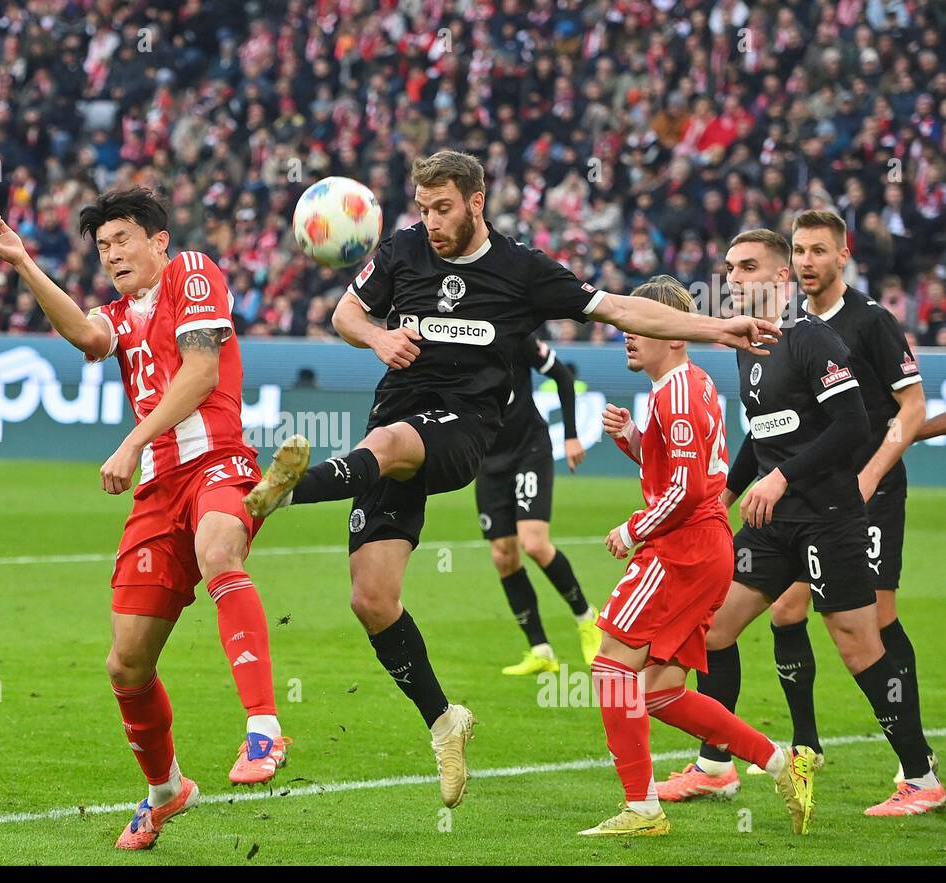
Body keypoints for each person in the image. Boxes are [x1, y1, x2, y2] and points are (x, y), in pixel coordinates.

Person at [244, 150, 779, 808]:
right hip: (395, 418)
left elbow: (621, 309)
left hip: (464, 430)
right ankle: (445, 721)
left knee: (384, 445)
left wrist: (719, 327)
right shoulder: (402, 252)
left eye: (443, 208)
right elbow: (345, 317)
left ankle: (284, 491)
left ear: (476, 201)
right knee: (372, 599)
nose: (431, 221)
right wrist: (380, 340)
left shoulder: (522, 271)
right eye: (422, 207)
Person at [0, 187, 302, 851]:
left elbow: (203, 371)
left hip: (215, 459)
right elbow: (87, 336)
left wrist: (131, 441)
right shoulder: (121, 316)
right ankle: (166, 789)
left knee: (220, 549)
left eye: (122, 239)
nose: (112, 254)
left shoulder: (193, 272)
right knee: (126, 665)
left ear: (159, 240)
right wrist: (22, 262)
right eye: (102, 247)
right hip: (157, 492)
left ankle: (264, 725)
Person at [656, 229, 942, 816]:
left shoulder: (814, 339)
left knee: (859, 644)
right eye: (730, 268)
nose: (734, 278)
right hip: (772, 522)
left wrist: (783, 479)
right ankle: (715, 765)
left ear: (780, 279)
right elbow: (760, 434)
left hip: (829, 516)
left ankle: (921, 777)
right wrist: (725, 496)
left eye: (749, 267)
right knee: (712, 629)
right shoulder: (745, 343)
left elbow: (852, 426)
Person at [582, 275, 813, 837]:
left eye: (638, 325)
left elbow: (686, 489)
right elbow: (685, 469)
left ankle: (641, 809)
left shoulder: (681, 391)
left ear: (675, 334)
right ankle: (781, 763)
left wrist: (633, 528)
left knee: (611, 665)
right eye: (624, 326)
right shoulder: (688, 387)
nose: (627, 336)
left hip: (682, 547)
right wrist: (634, 440)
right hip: (704, 547)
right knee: (660, 691)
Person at [747, 210, 933, 785]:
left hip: (868, 490)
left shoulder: (871, 322)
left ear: (843, 254)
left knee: (873, 617)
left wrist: (873, 473)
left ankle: (917, 761)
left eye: (818, 251)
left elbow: (913, 407)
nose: (807, 261)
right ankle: (807, 743)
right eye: (799, 251)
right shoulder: (795, 330)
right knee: (785, 608)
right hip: (818, 491)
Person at [474, 334, 602, 676]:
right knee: (503, 554)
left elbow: (562, 375)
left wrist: (571, 434)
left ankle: (587, 619)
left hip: (529, 450)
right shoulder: (450, 345)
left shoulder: (513, 335)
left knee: (533, 542)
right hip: (488, 461)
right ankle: (541, 650)